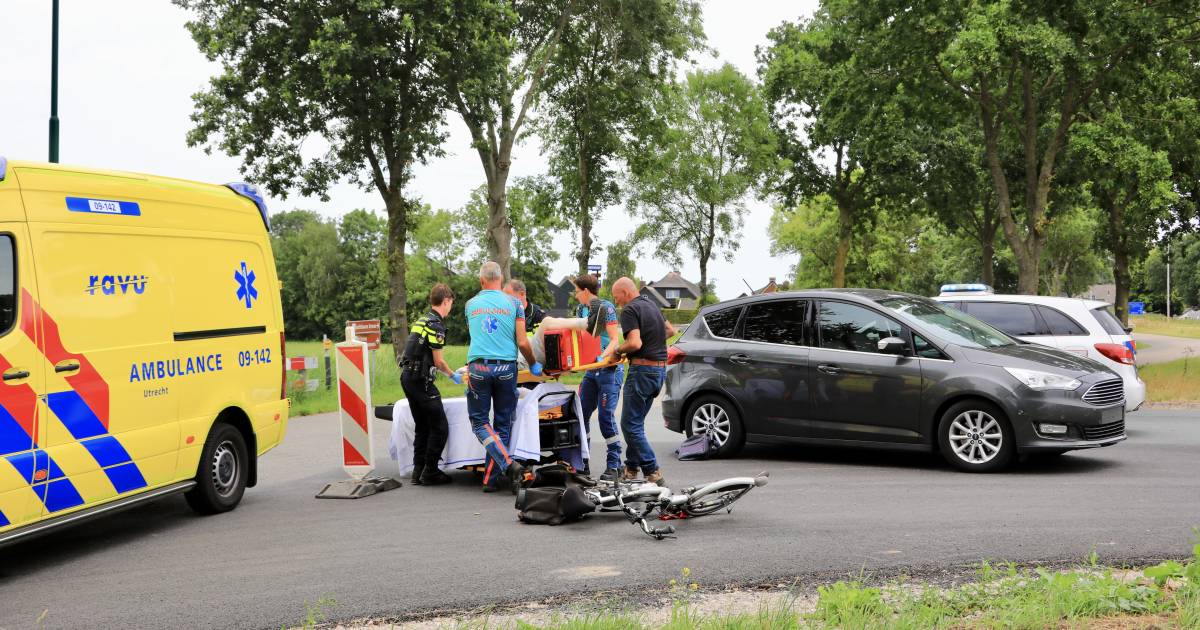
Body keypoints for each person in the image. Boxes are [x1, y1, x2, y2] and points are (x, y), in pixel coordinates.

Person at [465, 261, 541, 492]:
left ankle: (496, 474)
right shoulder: (515, 304)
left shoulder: (470, 305)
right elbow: (522, 341)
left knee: (479, 422)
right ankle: (502, 470)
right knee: (502, 422)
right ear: (501, 278)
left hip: (478, 368)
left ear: (481, 280)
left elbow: (475, 333)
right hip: (506, 369)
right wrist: (533, 363)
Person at [612, 277, 672, 486]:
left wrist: (618, 350)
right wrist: (653, 342)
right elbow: (670, 331)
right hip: (659, 371)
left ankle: (652, 471)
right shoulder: (652, 306)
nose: (616, 301)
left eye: (616, 296)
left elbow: (634, 342)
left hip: (642, 372)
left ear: (625, 292)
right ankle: (630, 468)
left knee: (629, 425)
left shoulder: (629, 310)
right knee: (635, 423)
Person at [399, 283, 461, 486]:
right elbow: (438, 361)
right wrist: (454, 375)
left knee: (423, 426)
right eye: (451, 302)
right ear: (446, 301)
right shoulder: (436, 324)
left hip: (407, 378)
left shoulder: (422, 319)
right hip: (421, 380)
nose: (451, 307)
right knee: (440, 426)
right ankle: (431, 471)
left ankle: (418, 471)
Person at [571, 274, 624, 480]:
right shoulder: (581, 310)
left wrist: (601, 357)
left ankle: (614, 465)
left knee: (605, 417)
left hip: (609, 370)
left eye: (576, 291)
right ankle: (582, 462)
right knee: (581, 416)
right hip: (590, 371)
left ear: (585, 291)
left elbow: (614, 340)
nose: (575, 296)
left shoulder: (605, 308)